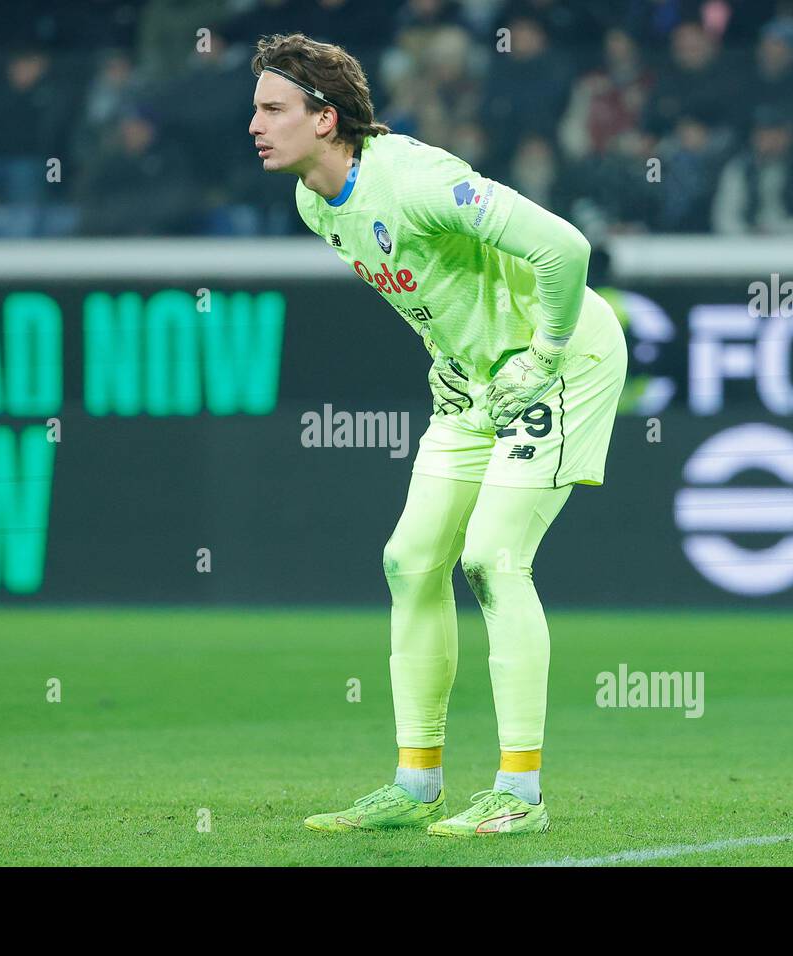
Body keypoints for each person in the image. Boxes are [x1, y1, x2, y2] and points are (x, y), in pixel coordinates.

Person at [249, 32, 627, 837]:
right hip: (475, 379)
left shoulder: (415, 180)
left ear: (325, 120)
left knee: (492, 558)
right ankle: (415, 783)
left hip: (564, 359)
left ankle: (519, 794)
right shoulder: (316, 202)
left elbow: (566, 248)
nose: (256, 123)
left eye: (273, 108)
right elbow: (438, 289)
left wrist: (545, 352)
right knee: (410, 559)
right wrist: (451, 355)